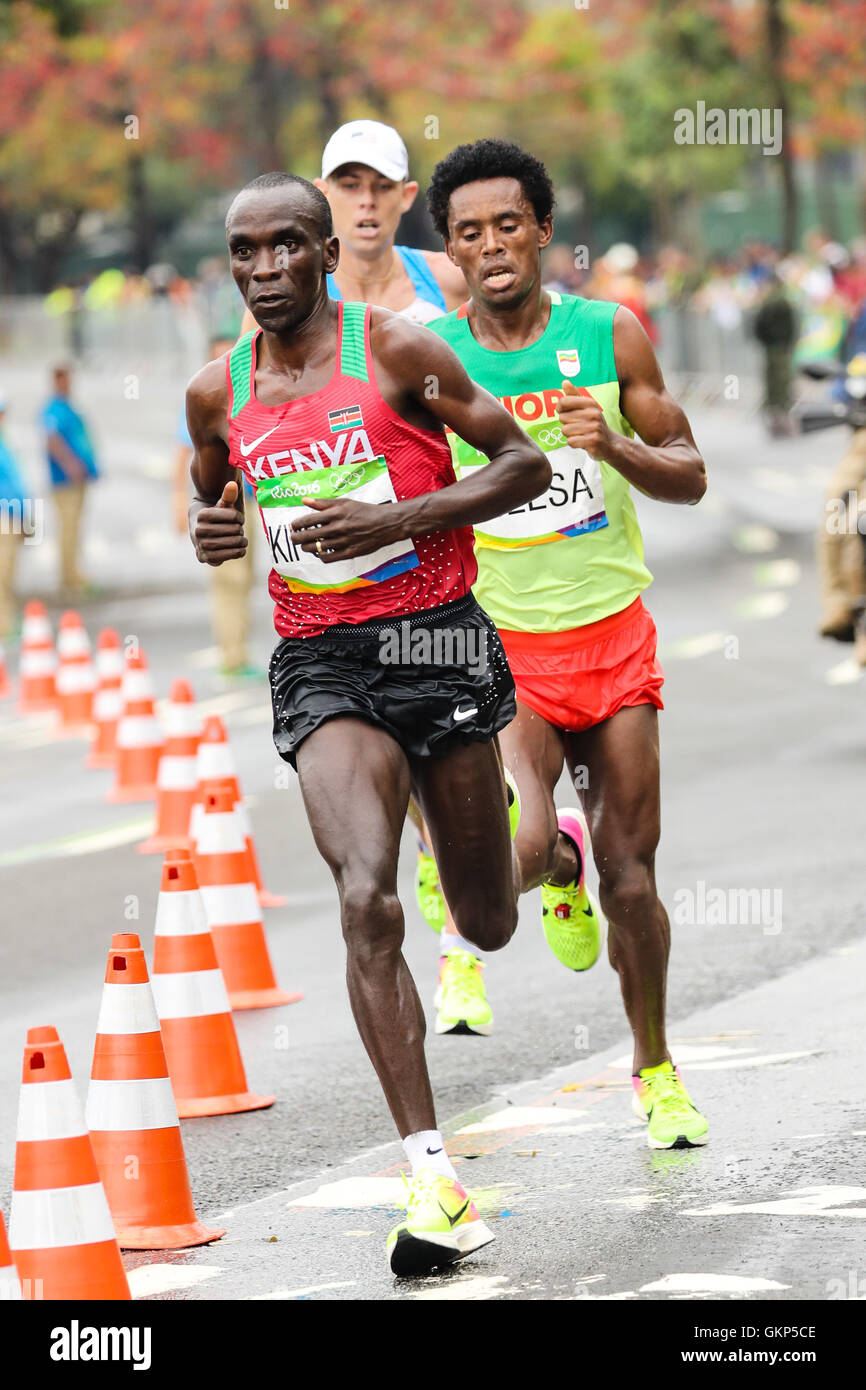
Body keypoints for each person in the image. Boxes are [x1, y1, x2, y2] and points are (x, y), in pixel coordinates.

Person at [185, 171, 551, 1272]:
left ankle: (550, 851)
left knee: (486, 920)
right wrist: (213, 533)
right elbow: (213, 494)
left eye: (285, 247)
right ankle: (432, 1178)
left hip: (436, 638)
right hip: (321, 660)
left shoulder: (397, 351)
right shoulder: (215, 389)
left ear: (321, 251)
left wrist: (399, 513)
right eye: (243, 253)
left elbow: (522, 465)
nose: (264, 272)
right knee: (364, 899)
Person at [419, 138, 710, 1149]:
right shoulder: (435, 363)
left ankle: (655, 1068)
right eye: (468, 232)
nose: (491, 245)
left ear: (542, 230)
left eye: (507, 224)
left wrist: (614, 445)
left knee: (634, 883)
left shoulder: (608, 333)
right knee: (528, 845)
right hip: (508, 653)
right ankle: (557, 872)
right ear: (449, 251)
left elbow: (689, 472)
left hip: (613, 640)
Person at [240, 121, 498, 1032]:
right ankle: (451, 968)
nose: (362, 202)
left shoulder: (445, 283)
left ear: (399, 195)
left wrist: (410, 508)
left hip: (462, 562)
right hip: (329, 631)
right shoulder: (269, 303)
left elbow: (504, 406)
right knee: (368, 877)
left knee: (492, 898)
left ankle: (497, 868)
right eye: (343, 185)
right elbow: (245, 432)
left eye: (377, 185)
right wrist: (226, 518)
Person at [174, 336, 261, 679]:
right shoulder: (205, 398)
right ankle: (233, 656)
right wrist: (179, 503)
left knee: (252, 577)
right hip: (229, 500)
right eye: (219, 356)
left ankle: (239, 649)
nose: (227, 360)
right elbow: (184, 454)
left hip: (262, 499)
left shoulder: (256, 389)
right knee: (230, 576)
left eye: (232, 353)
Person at [40, 364, 99, 595]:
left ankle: (75, 573)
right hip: (64, 481)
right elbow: (51, 440)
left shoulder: (69, 406)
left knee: (76, 528)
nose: (68, 384)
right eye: (64, 380)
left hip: (78, 479)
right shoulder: (53, 409)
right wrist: (71, 464)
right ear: (56, 381)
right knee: (68, 529)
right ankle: (68, 579)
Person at [0, 393, 30, 639]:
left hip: (13, 516)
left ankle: (7, 622)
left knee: (8, 574)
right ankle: (4, 625)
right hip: (3, 517)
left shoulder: (5, 442)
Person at [753, 273, 797, 437]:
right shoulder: (780, 301)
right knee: (779, 381)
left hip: (775, 346)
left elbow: (760, 324)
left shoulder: (773, 301)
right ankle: (779, 414)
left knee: (777, 381)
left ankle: (777, 415)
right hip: (779, 346)